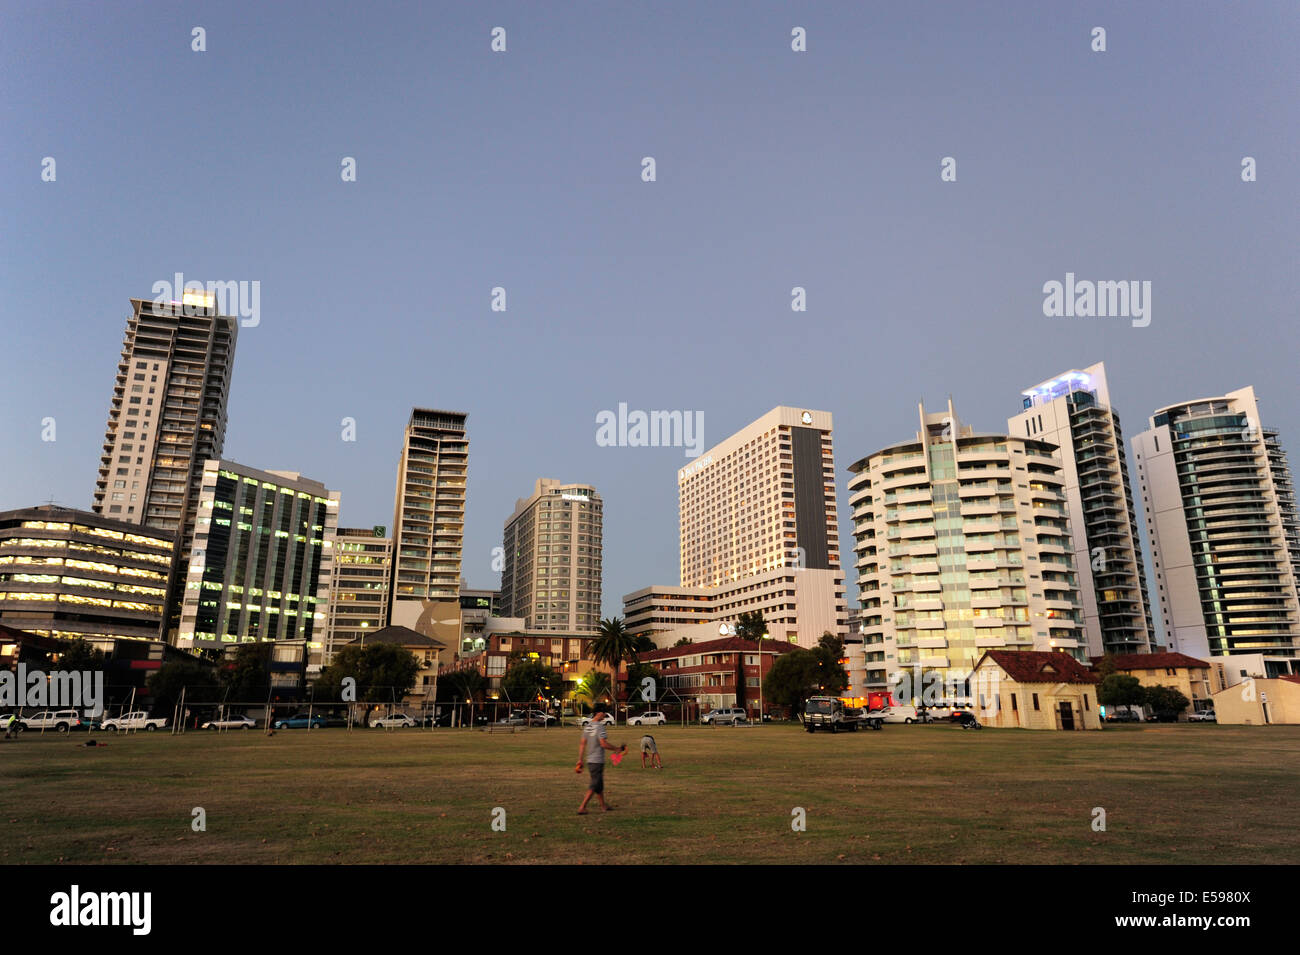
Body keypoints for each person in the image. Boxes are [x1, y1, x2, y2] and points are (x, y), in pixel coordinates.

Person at [576, 703, 625, 814]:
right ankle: (582, 807)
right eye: (604, 712)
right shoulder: (600, 726)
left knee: (599, 784)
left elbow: (582, 744)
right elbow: (603, 744)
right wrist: (616, 748)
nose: (606, 714)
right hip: (597, 760)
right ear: (599, 713)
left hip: (590, 760)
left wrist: (580, 759)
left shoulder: (587, 726)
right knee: (594, 784)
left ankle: (603, 806)